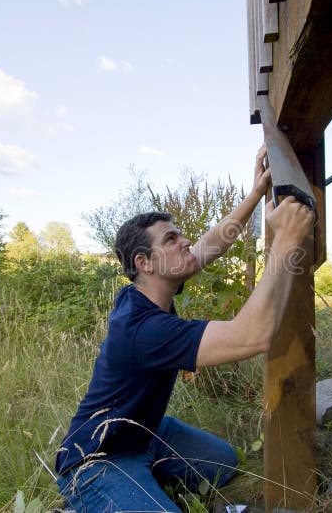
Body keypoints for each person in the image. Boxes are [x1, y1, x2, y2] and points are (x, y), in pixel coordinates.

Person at [54, 145, 316, 512]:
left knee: (223, 463)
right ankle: (95, 499)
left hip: (147, 434)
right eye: (171, 240)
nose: (186, 242)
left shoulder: (148, 291)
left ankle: (141, 480)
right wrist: (286, 241)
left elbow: (214, 242)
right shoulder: (144, 329)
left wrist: (255, 194)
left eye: (179, 235)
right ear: (144, 262)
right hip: (96, 458)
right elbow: (253, 335)